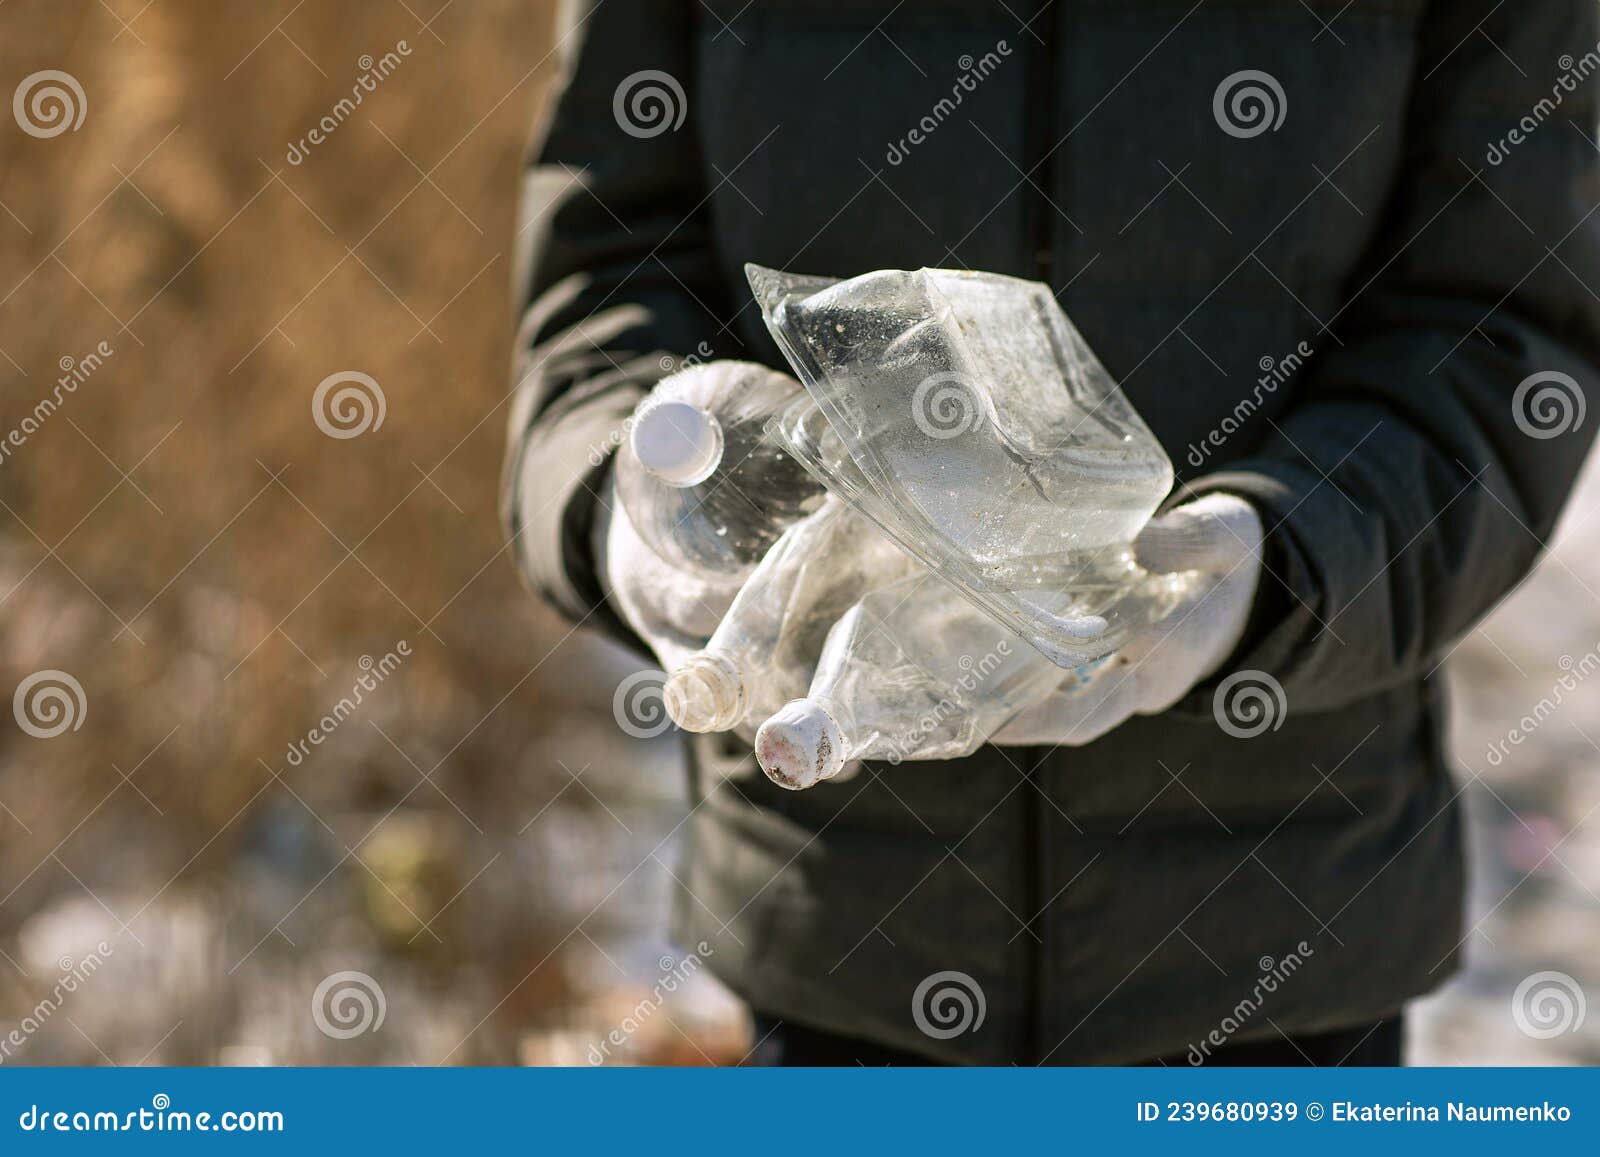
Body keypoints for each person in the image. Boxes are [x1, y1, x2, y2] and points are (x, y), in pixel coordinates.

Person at [503, 0, 1600, 1065]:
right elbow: (610, 262)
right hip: (837, 915)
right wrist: (622, 500)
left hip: (1275, 927)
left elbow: (1505, 314)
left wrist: (1292, 558)